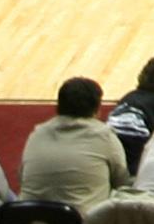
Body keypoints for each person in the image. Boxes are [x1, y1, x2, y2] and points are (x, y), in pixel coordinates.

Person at [18, 82, 129, 215]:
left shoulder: (37, 134)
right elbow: (122, 181)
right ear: (96, 108)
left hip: (29, 222)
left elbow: (22, 177)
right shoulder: (104, 136)